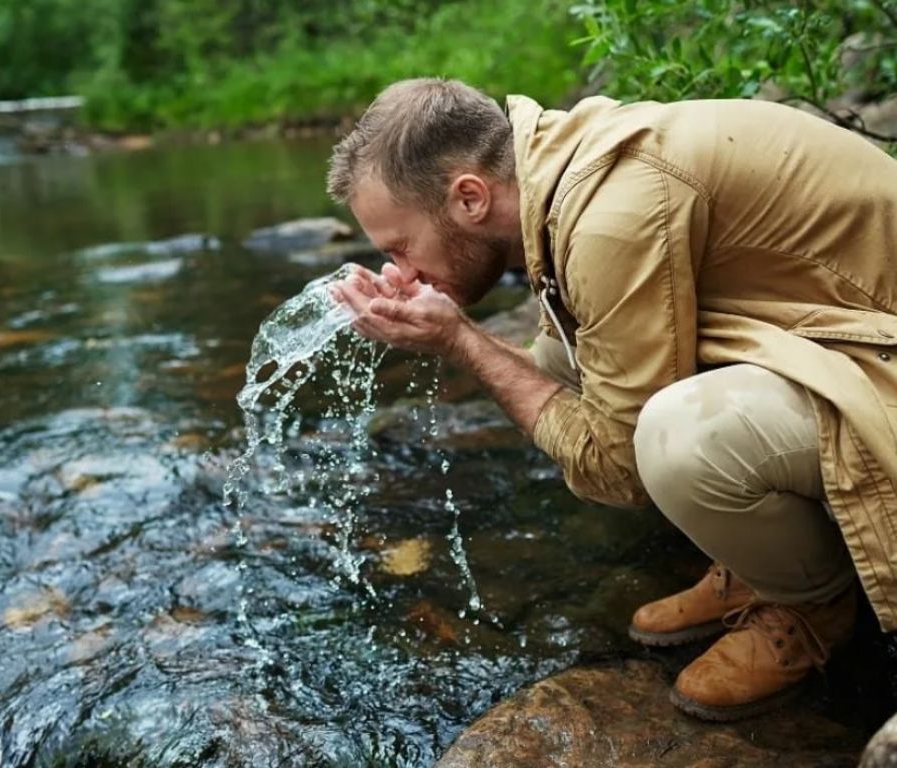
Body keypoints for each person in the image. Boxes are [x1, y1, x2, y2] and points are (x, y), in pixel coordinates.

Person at [328, 77, 897, 721]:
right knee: (560, 364)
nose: (400, 272)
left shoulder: (610, 217)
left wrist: (463, 343)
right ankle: (759, 559)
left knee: (677, 439)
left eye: (399, 248)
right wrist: (456, 338)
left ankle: (810, 604)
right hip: (832, 335)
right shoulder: (565, 172)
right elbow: (564, 381)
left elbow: (623, 468)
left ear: (469, 196)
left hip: (879, 357)